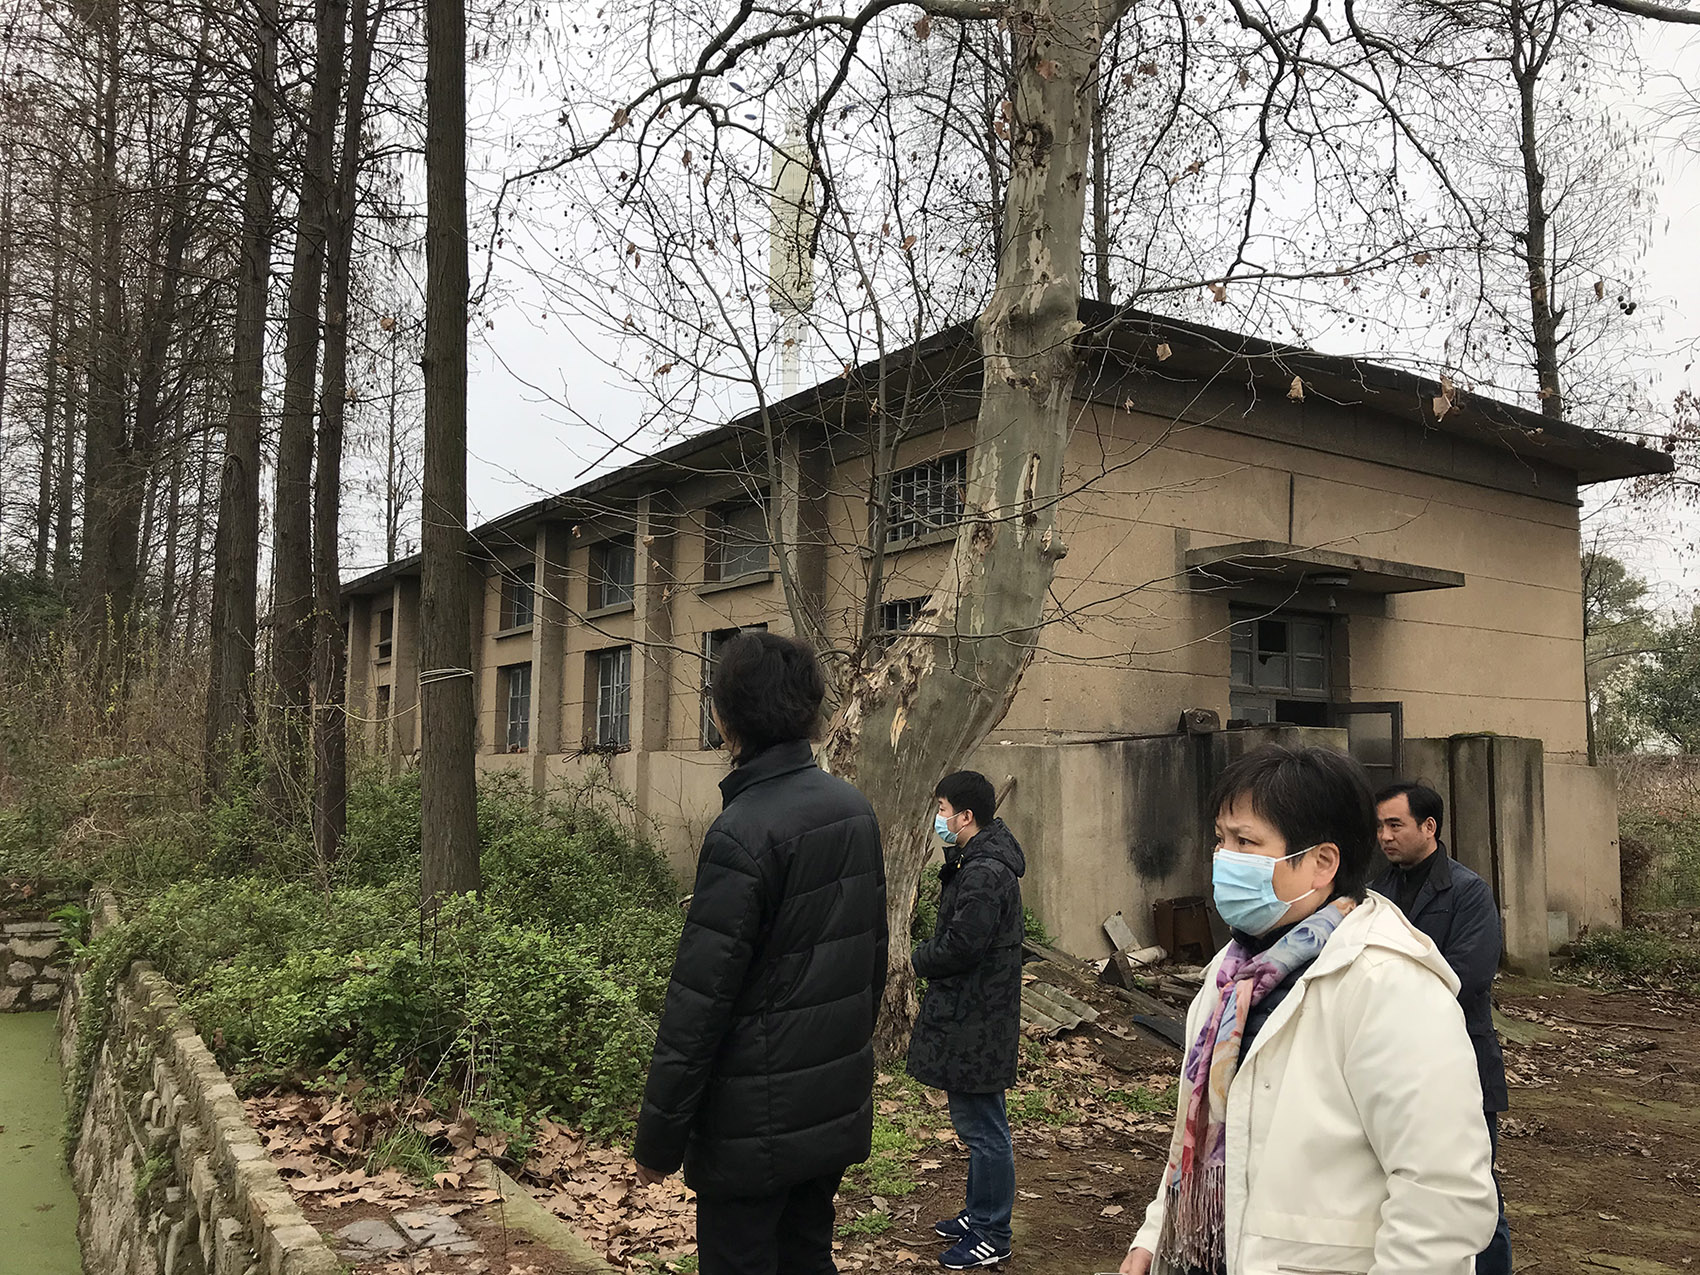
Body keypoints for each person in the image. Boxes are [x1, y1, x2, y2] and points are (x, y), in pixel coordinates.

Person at [1121, 745, 1497, 1275]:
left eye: (1246, 842)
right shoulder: (1230, 979)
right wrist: (1155, 1235)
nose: (1223, 859)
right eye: (1221, 841)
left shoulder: (1385, 984)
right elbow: (1199, 1134)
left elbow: (1441, 1196)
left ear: (1322, 862)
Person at [633, 632, 888, 1275]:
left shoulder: (742, 833)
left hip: (749, 1132)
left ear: (727, 718)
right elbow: (870, 965)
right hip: (828, 1112)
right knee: (807, 1256)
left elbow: (699, 1005)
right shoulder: (853, 811)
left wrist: (657, 1141)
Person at [1371, 781, 1512, 1275]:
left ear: (1429, 827)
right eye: (1381, 826)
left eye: (1396, 825)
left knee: (1475, 1193)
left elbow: (1466, 977)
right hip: (1388, 1061)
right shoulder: (1374, 891)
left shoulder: (1469, 892)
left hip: (1461, 1060)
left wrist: (1383, 995)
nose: (1385, 836)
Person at [906, 770, 1027, 1270]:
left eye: (941, 809)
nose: (938, 818)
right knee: (979, 1123)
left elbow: (961, 946)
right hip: (975, 1013)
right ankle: (979, 1214)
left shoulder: (983, 872)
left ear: (966, 816)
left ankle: (993, 1232)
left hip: (977, 1017)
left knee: (984, 1129)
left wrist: (917, 957)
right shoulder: (977, 860)